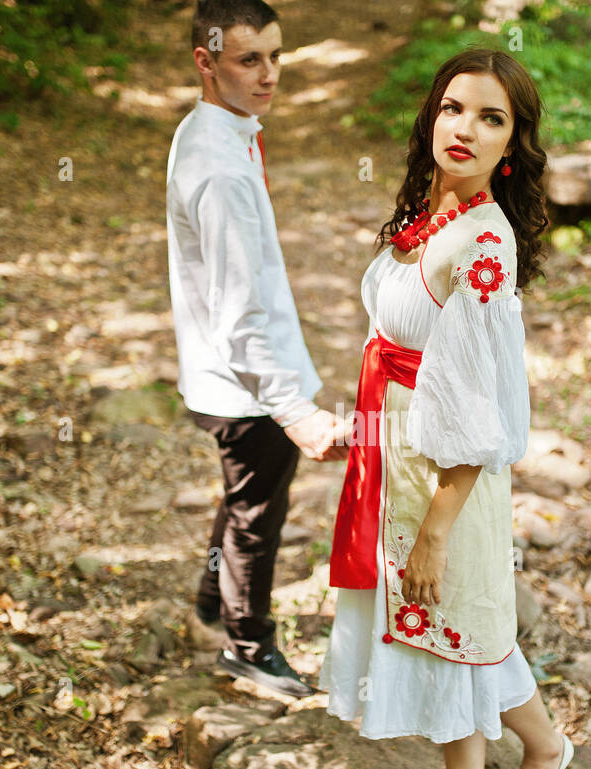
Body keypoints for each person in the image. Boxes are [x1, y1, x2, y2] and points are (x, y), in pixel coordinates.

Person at [320, 48, 572, 769]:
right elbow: (392, 338)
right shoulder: (429, 209)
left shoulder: (484, 248)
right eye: (455, 107)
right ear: (432, 113)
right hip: (397, 448)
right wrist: (355, 426)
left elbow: (476, 402)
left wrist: (435, 528)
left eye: (491, 118)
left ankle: (545, 744)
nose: (465, 128)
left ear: (512, 145)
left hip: (446, 472)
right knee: (440, 631)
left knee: (467, 623)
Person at [166, 0, 348, 699]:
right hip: (243, 382)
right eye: (249, 60)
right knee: (257, 514)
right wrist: (293, 409)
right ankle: (248, 645)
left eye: (276, 55)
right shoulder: (219, 167)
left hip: (236, 371)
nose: (269, 74)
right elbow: (238, 314)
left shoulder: (219, 129)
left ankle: (213, 600)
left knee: (248, 493)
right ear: (205, 63)